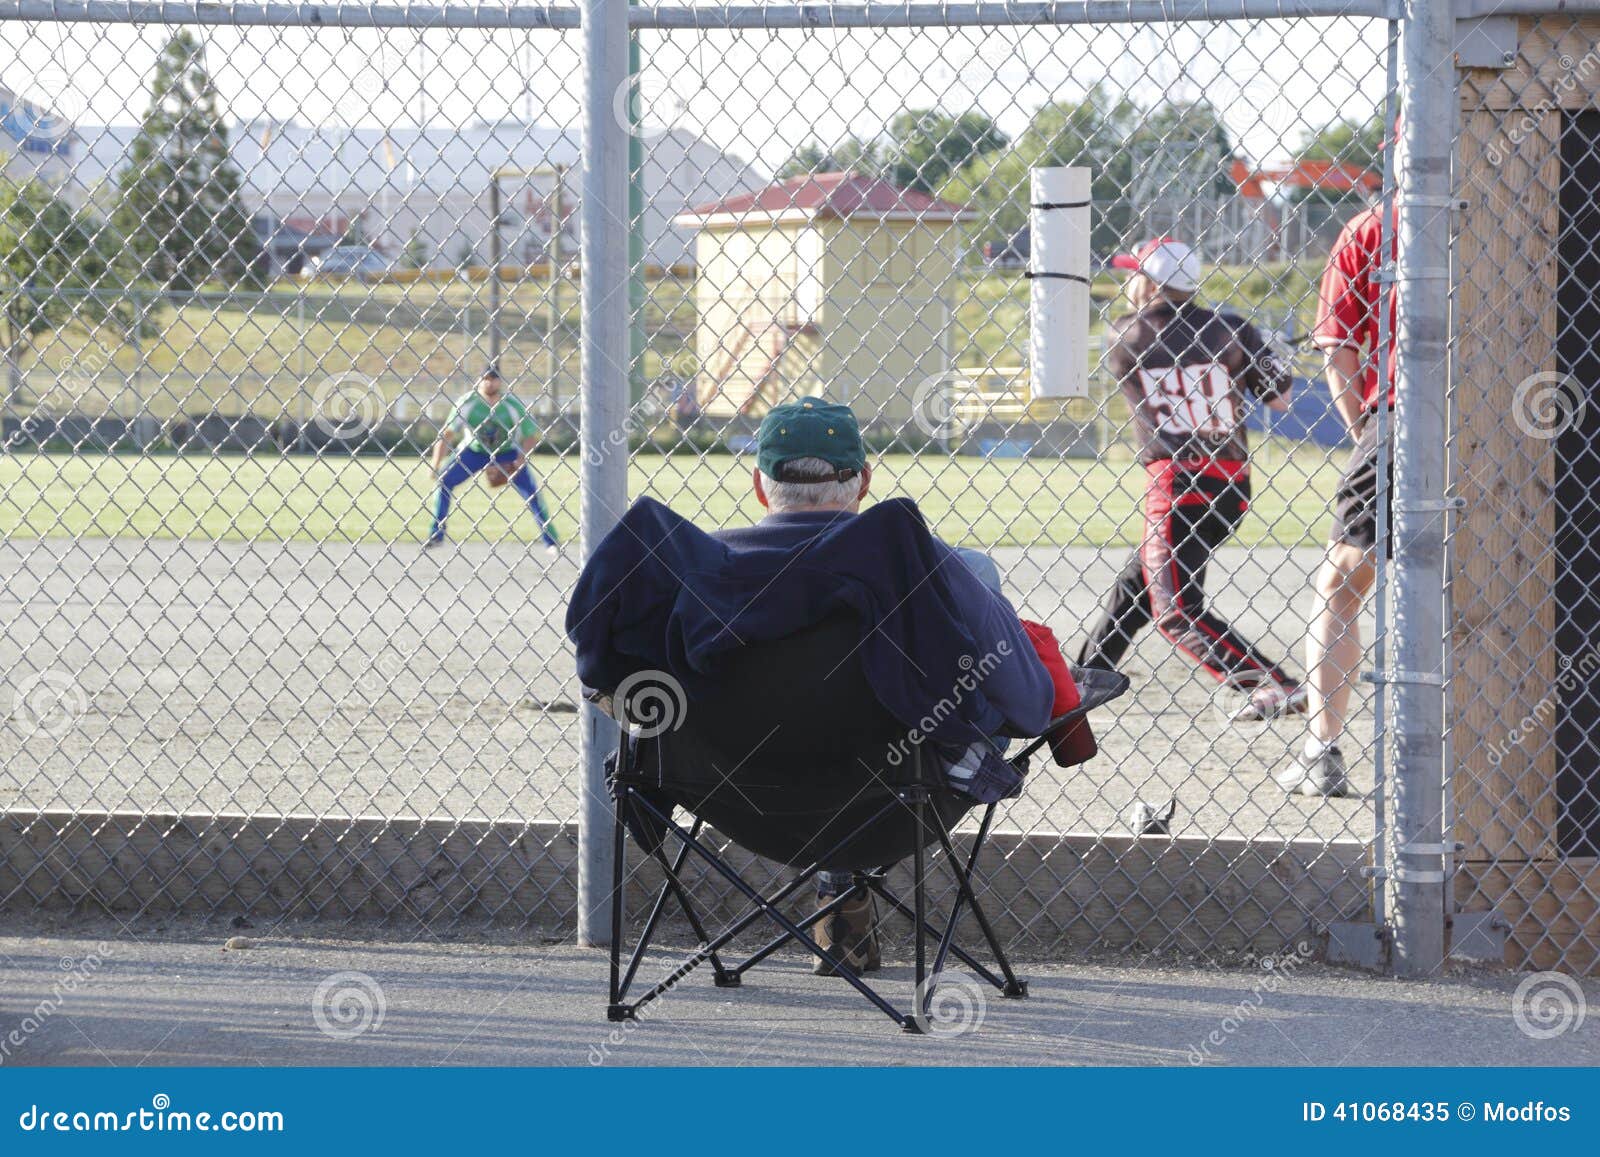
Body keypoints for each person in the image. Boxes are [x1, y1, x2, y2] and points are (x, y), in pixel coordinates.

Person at [711, 399, 1055, 974]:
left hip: (744, 803)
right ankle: (844, 875)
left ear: (758, 485)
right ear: (864, 483)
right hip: (897, 800)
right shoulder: (946, 569)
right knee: (941, 726)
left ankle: (836, 884)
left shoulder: (695, 570)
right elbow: (1030, 706)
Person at [1076, 237, 1304, 723]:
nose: (1128, 284)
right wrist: (1266, 353)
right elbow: (1279, 397)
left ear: (1153, 281)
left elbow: (1161, 356)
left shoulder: (1125, 337)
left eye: (1134, 275)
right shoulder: (1232, 329)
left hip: (1177, 486)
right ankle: (1082, 680)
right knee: (1136, 587)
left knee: (1176, 610)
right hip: (1231, 484)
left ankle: (1270, 682)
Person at [1277, 199, 1397, 798]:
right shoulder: (1510, 208)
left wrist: (1363, 427)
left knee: (1342, 582)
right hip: (1511, 414)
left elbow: (1339, 347)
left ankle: (1322, 751)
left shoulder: (1373, 225)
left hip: (1400, 414)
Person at [426, 368, 559, 552]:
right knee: (444, 481)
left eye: (493, 379)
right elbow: (446, 435)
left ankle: (551, 541)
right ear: (478, 381)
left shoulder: (511, 404)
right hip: (474, 451)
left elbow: (530, 435)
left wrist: (522, 458)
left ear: (500, 382)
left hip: (506, 452)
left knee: (531, 493)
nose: (489, 382)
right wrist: (435, 464)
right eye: (485, 379)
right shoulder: (468, 403)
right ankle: (436, 535)